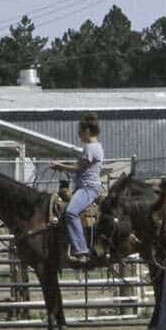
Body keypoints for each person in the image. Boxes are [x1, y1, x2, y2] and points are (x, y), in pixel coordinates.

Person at [50, 112, 104, 265]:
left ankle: (81, 250)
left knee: (71, 212)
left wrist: (60, 166)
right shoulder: (94, 147)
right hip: (84, 187)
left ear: (87, 131)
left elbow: (78, 168)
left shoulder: (90, 148)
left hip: (88, 188)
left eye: (80, 131)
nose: (79, 134)